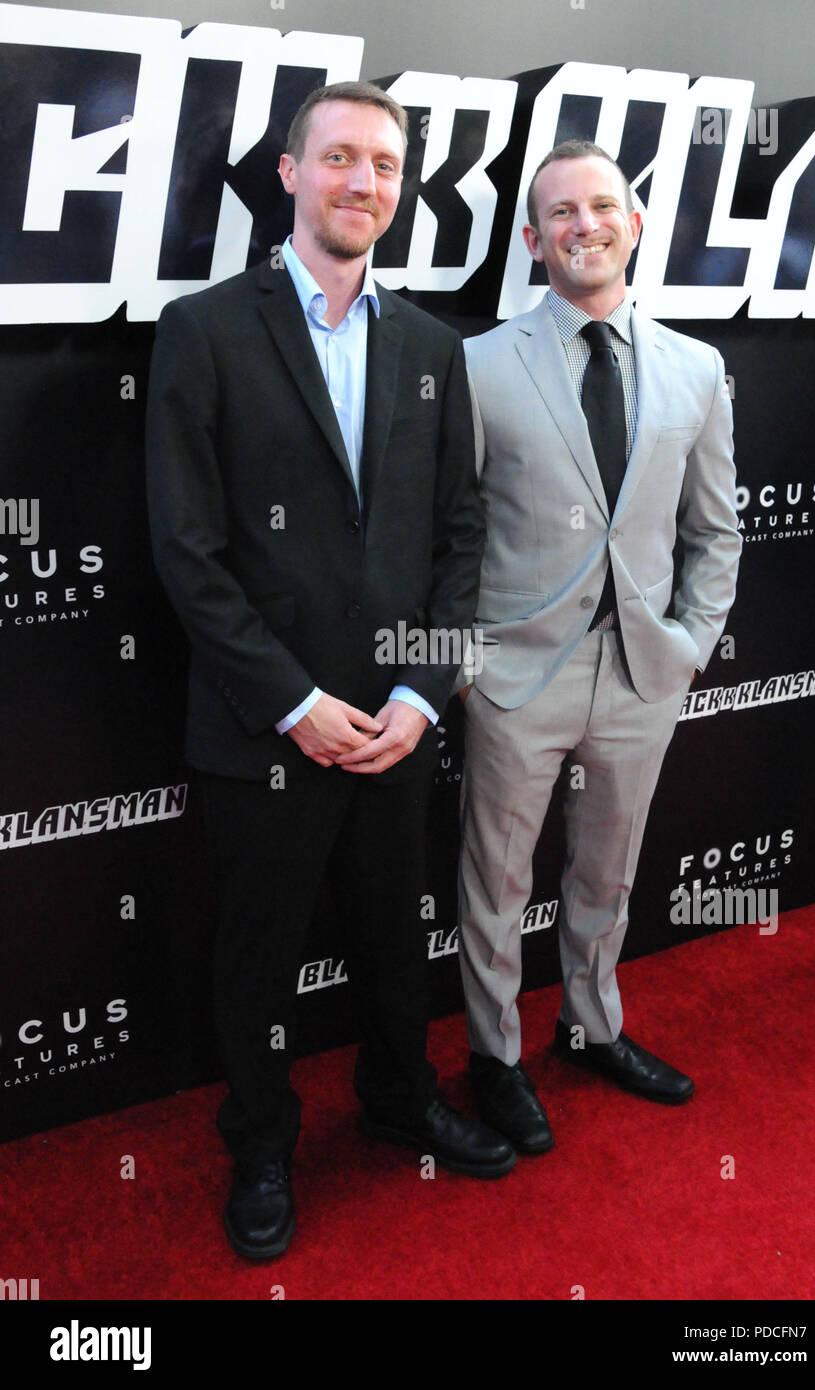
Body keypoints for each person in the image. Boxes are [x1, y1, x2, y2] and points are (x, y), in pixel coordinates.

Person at [146, 81, 515, 1262]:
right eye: (340, 159)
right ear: (292, 174)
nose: (364, 183)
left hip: (399, 723)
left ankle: (400, 1098)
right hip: (268, 729)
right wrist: (296, 705)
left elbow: (461, 534)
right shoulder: (205, 329)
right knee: (256, 950)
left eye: (385, 167)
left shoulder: (430, 346)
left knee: (390, 933)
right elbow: (186, 550)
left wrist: (418, 693)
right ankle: (259, 1143)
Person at [457, 140, 742, 1155]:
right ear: (533, 241)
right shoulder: (478, 363)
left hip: (641, 676)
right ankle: (494, 1057)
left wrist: (688, 643)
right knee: (494, 880)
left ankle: (589, 1027)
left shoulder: (695, 369)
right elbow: (451, 529)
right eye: (560, 215)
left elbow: (715, 528)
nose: (584, 226)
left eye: (601, 207)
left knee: (605, 873)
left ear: (632, 222)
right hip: (514, 675)